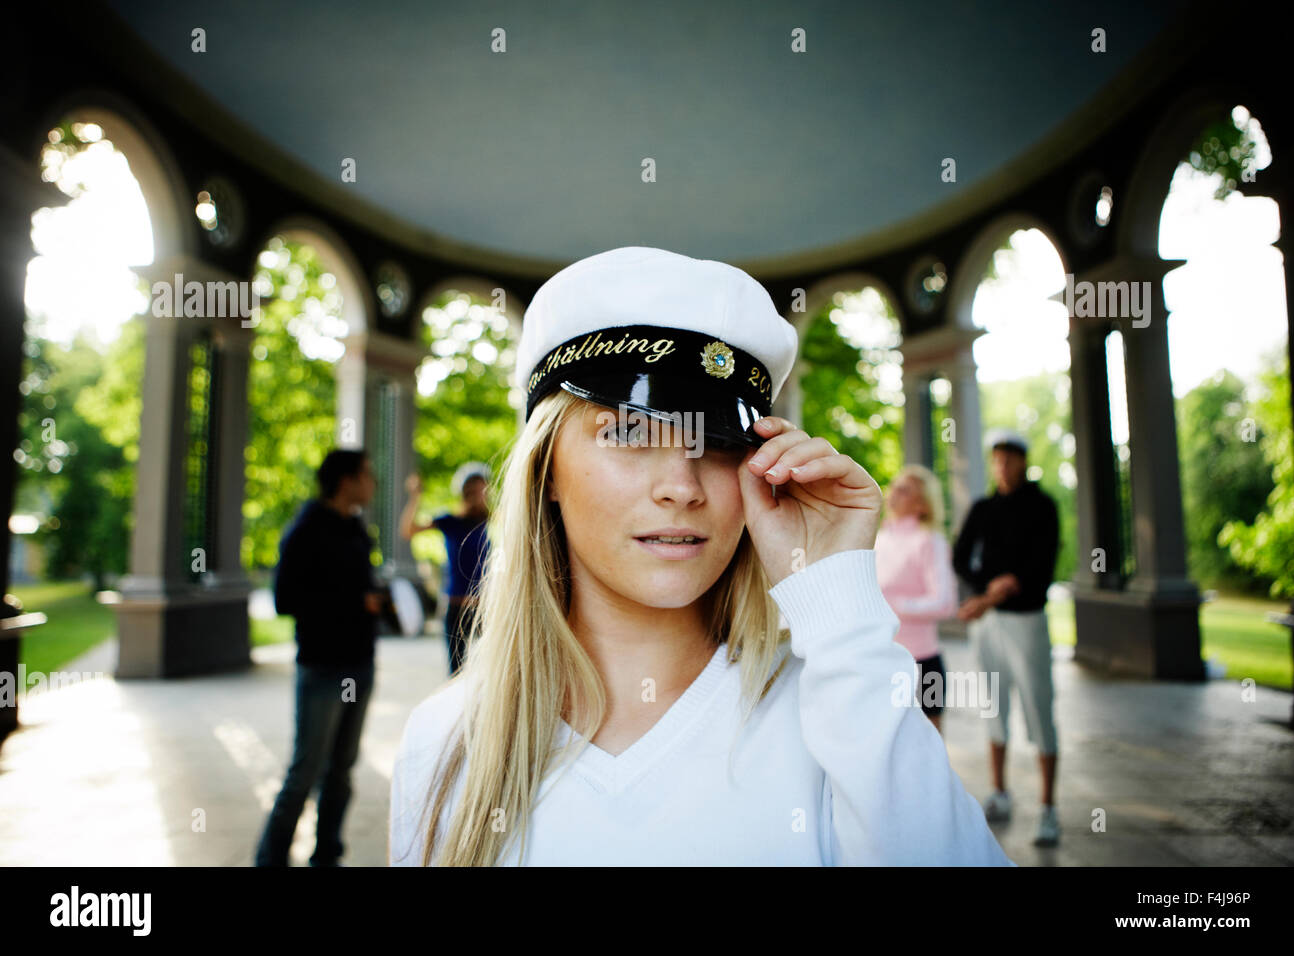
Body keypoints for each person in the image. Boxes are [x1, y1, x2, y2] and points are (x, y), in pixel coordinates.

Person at [388, 246, 1012, 866]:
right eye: (629, 431)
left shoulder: (835, 715)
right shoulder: (442, 743)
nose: (682, 487)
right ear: (547, 467)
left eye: (716, 441)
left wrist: (835, 600)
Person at [254, 449, 386, 867]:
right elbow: (284, 599)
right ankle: (270, 860)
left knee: (342, 770)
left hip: (359, 665)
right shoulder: (306, 530)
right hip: (323, 667)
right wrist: (354, 601)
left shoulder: (356, 528)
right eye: (367, 474)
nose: (373, 482)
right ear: (345, 480)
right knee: (304, 771)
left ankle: (326, 854)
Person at [951, 428, 1061, 848]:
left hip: (1025, 620)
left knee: (1038, 705)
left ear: (1022, 461)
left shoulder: (1043, 506)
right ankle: (1000, 793)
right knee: (993, 705)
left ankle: (1049, 808)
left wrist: (1007, 586)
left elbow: (1043, 565)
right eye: (997, 458)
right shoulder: (983, 508)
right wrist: (985, 590)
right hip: (987, 622)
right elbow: (961, 556)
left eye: (1010, 458)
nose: (1002, 465)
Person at [876, 465, 958, 735]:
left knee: (929, 754)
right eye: (894, 486)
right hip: (881, 660)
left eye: (905, 489)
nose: (893, 493)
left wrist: (894, 604)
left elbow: (944, 603)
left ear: (922, 505)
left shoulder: (930, 541)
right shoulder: (879, 538)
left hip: (922, 665)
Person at [399, 463, 491, 676]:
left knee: (490, 672)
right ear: (464, 492)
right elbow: (408, 530)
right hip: (456, 607)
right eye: (474, 490)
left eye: (482, 489)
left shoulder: (485, 521)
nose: (479, 495)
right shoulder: (450, 521)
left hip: (482, 608)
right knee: (456, 673)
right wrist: (415, 498)